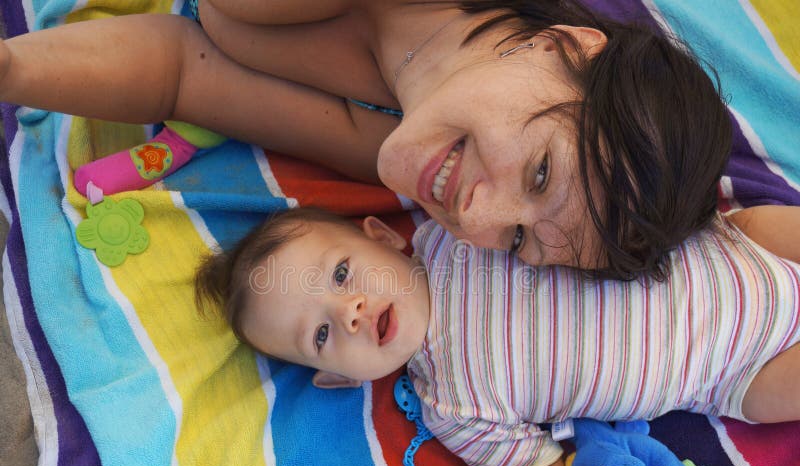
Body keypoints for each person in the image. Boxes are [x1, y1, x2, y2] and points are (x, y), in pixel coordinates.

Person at [0, 0, 733, 278]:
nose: (475, 222)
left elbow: (180, 74)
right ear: (564, 47)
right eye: (540, 175)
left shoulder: (395, 141)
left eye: (515, 242)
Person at [194, 205, 800, 466]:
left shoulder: (462, 232)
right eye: (321, 333)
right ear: (340, 379)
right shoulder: (455, 408)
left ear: (383, 235)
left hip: (733, 243)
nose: (349, 310)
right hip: (740, 371)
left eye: (342, 273)